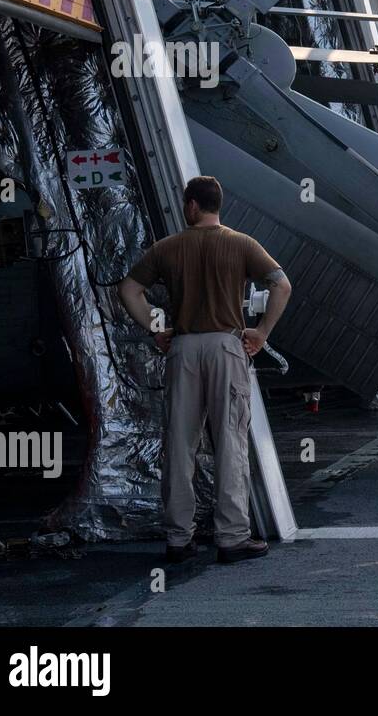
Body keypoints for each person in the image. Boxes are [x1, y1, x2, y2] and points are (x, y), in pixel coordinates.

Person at [119, 176, 292, 564]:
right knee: (229, 441)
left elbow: (129, 289)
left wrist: (157, 327)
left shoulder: (167, 248)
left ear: (193, 206)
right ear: (217, 206)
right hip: (226, 347)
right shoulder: (242, 243)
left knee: (181, 444)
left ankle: (179, 539)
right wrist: (261, 333)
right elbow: (282, 285)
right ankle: (231, 538)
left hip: (182, 348)